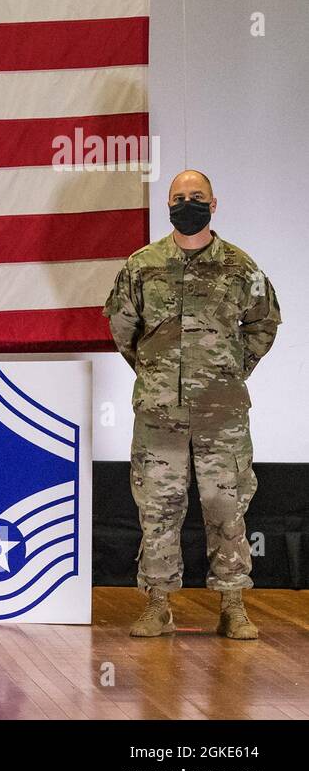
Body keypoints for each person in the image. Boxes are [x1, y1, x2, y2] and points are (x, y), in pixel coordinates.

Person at [103, 169, 281, 639]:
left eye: (197, 196)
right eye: (179, 197)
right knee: (159, 507)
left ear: (214, 204)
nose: (188, 203)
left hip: (222, 415)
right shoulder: (142, 265)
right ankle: (158, 605)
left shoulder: (241, 267)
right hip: (160, 416)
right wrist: (156, 374)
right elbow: (124, 329)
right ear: (168, 205)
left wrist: (228, 370)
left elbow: (263, 325)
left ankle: (233, 605)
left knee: (226, 505)